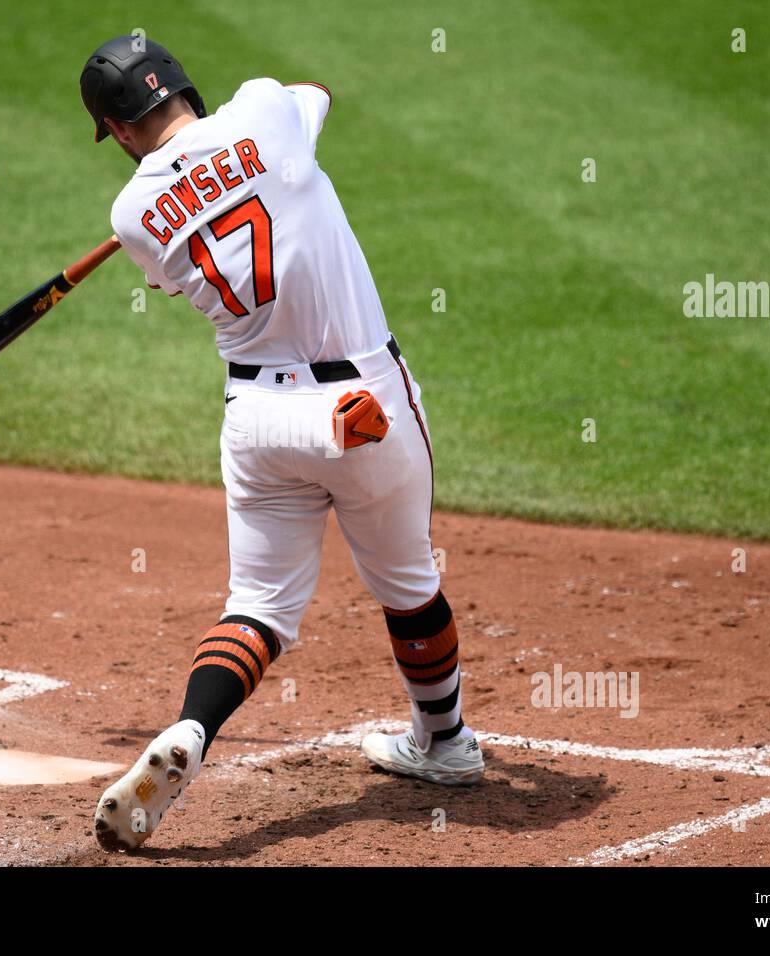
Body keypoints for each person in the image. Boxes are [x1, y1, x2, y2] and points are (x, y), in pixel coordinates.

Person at [80, 35, 482, 853]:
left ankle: (192, 733)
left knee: (258, 606)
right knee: (408, 586)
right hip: (361, 406)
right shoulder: (267, 108)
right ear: (184, 86)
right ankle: (444, 744)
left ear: (118, 132)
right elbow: (316, 89)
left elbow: (178, 243)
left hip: (260, 421)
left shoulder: (131, 221)